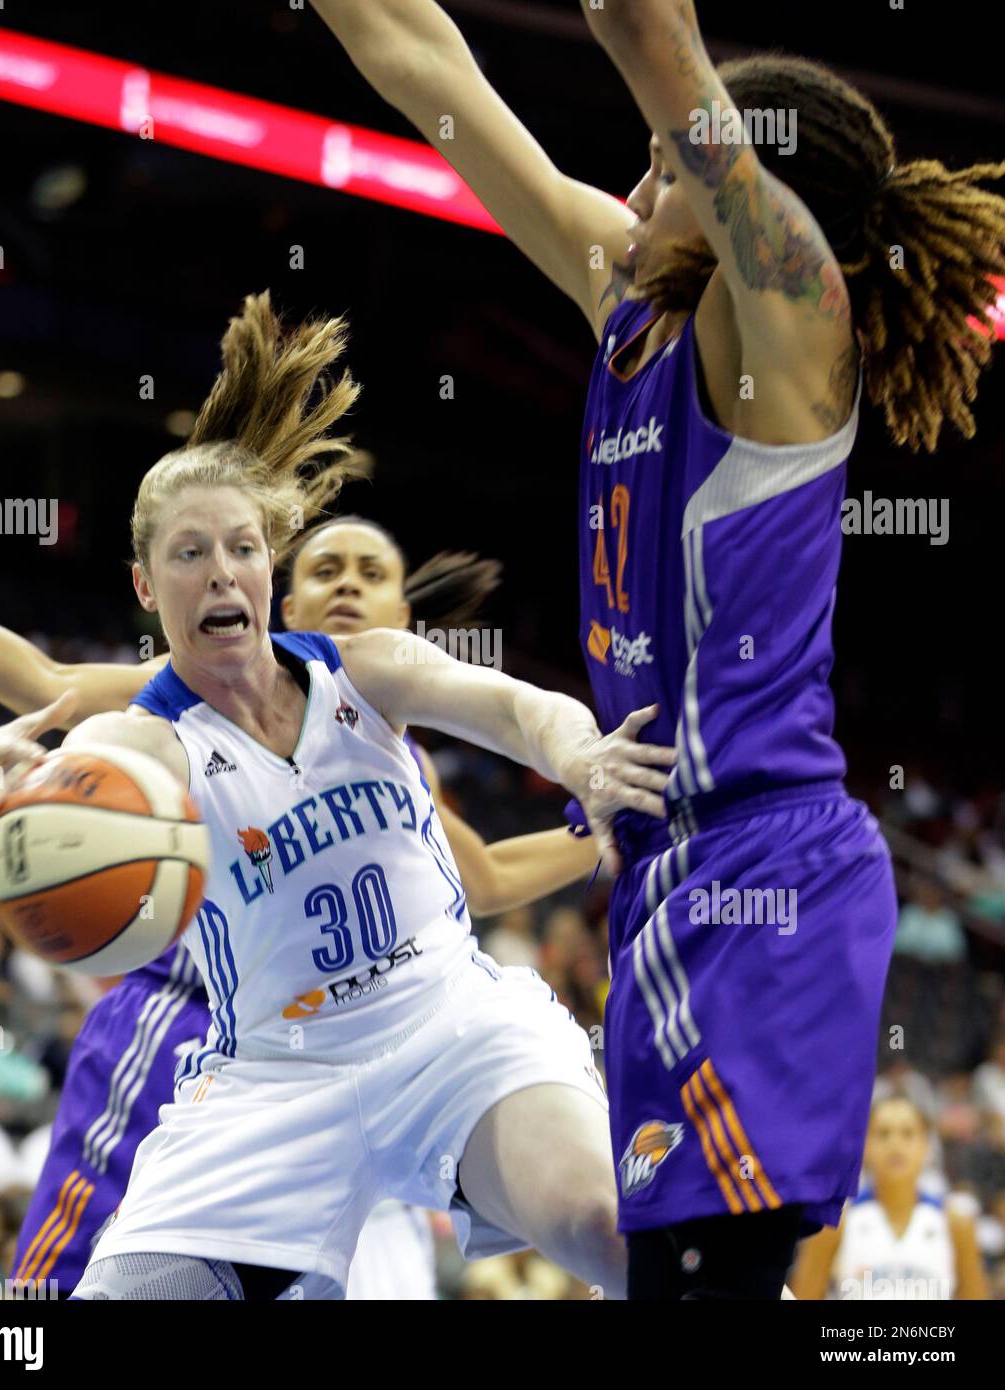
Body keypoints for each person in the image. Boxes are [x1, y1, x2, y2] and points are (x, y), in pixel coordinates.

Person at [307, 0, 1005, 1297]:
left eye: (660, 160)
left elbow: (641, 25)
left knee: (695, 1278)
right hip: (667, 883)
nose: (630, 183)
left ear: (749, 191)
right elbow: (428, 68)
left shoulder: (793, 325)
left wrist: (694, 113)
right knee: (673, 1276)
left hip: (764, 867)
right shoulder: (628, 300)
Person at [0, 292, 675, 1300]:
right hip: (275, 1079)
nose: (221, 573)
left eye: (242, 547)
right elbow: (72, 750)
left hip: (449, 1028)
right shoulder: (152, 732)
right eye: (188, 553)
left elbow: (517, 709)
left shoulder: (365, 671)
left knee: (610, 1224)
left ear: (268, 569)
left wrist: (586, 760)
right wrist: (2, 769)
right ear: (145, 588)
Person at [0, 502, 600, 1302]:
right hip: (211, 1024)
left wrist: (605, 812)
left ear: (403, 615)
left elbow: (487, 877)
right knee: (63, 1287)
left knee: (588, 1223)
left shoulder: (389, 725)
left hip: (422, 1035)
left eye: (371, 575)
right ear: (285, 601)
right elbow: (52, 691)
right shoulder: (191, 697)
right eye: (326, 569)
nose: (346, 587)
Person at [790, 1096, 988, 1299]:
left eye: (907, 1133)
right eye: (883, 1134)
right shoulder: (835, 1223)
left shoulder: (956, 1223)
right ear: (864, 1145)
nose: (895, 1143)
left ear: (926, 1146)